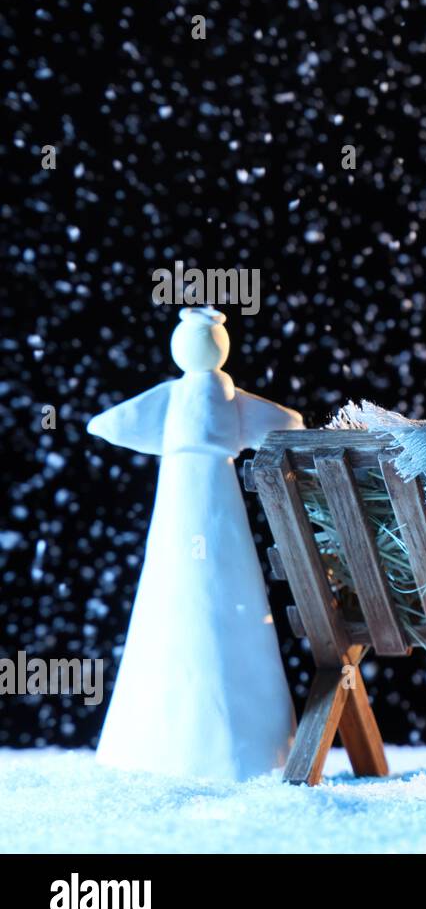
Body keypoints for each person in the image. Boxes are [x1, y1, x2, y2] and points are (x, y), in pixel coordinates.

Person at [88, 307, 302, 780]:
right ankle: (249, 748)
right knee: (200, 595)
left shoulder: (185, 397)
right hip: (196, 505)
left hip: (197, 502)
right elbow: (287, 422)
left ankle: (198, 745)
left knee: (197, 595)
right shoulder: (225, 399)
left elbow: (117, 422)